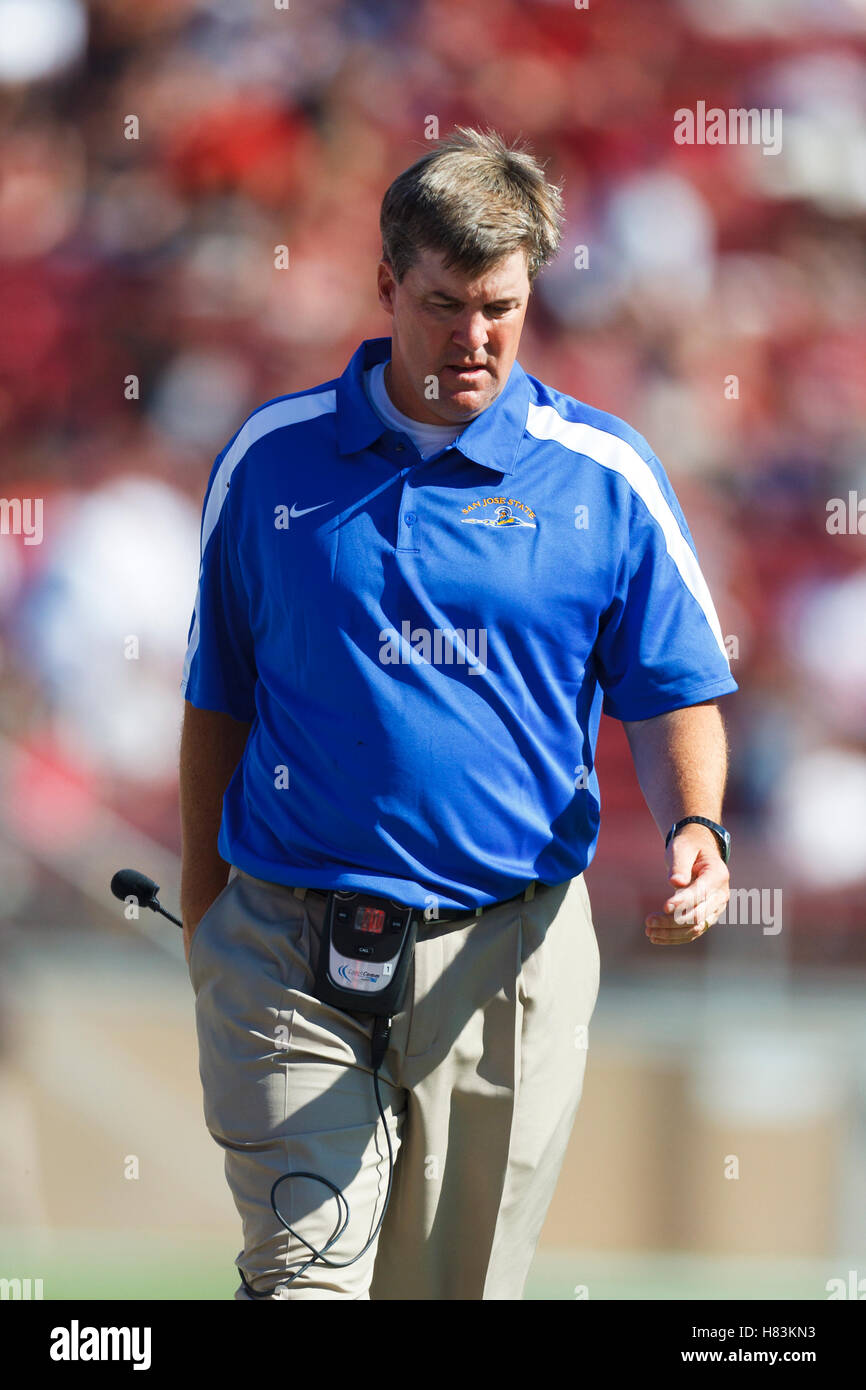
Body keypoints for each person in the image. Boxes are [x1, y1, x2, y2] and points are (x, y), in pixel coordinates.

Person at [179, 126, 737, 1301]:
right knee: (304, 1280)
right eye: (443, 304)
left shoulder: (604, 475)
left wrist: (699, 828)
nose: (473, 337)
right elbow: (216, 697)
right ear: (385, 286)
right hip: (286, 942)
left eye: (501, 306)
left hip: (509, 952)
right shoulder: (270, 461)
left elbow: (675, 685)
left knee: (451, 1291)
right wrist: (203, 913)